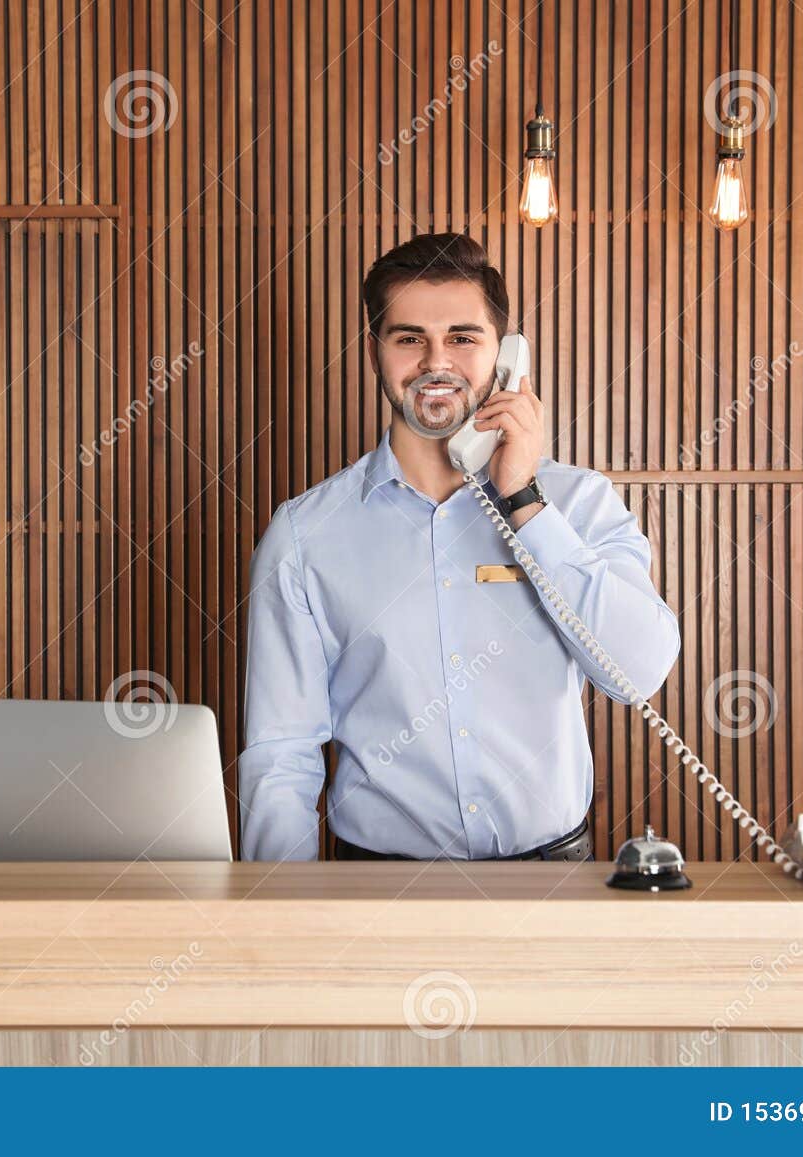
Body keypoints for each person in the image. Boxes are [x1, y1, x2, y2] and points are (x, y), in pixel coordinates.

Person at [237, 232, 681, 862]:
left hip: (552, 886)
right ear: (376, 354)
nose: (435, 362)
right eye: (410, 338)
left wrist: (525, 501)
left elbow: (636, 673)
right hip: (376, 891)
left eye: (464, 339)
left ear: (506, 358)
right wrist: (283, 923)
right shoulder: (305, 535)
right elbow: (282, 754)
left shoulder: (579, 504)